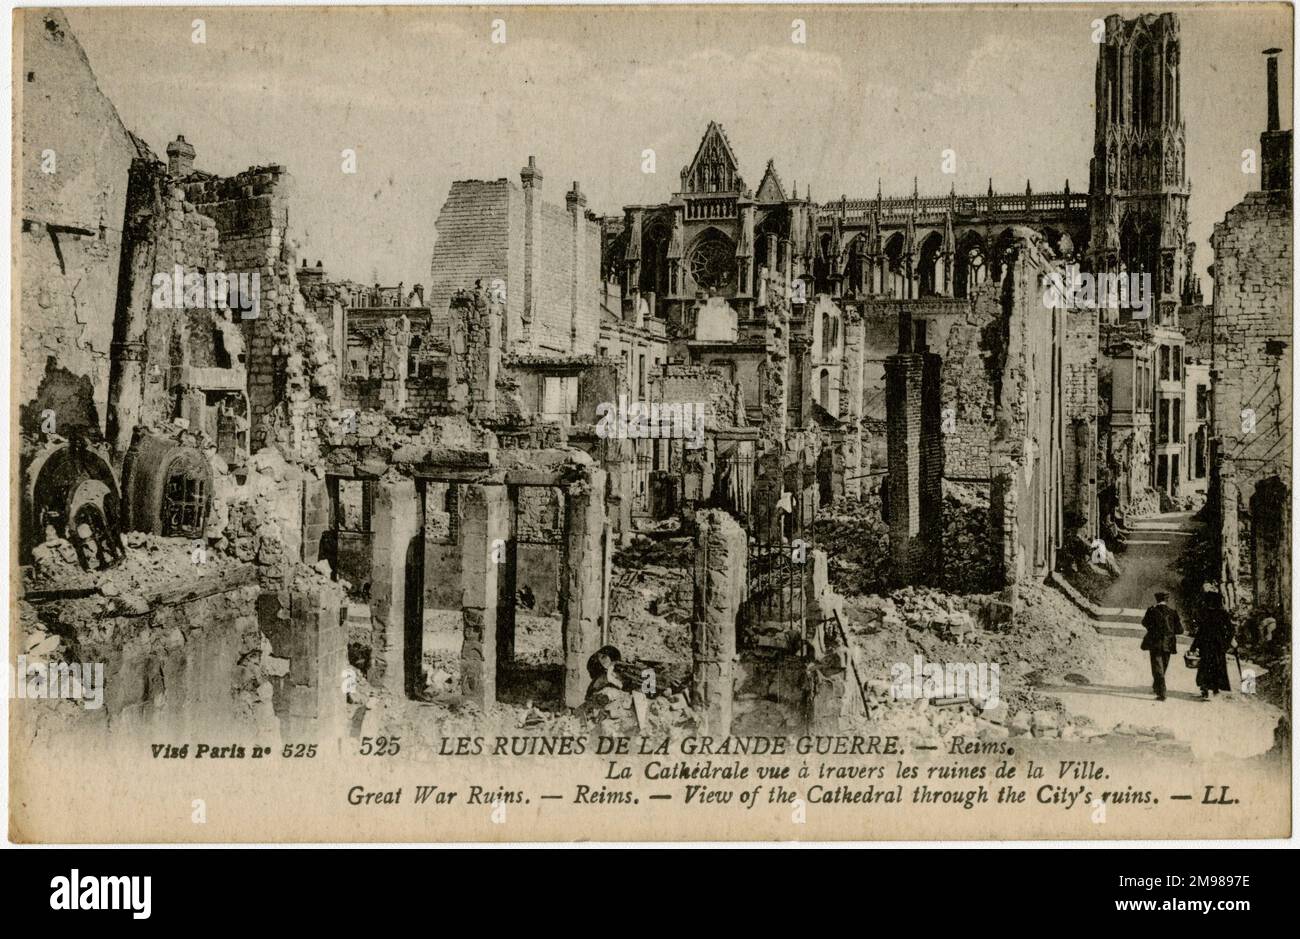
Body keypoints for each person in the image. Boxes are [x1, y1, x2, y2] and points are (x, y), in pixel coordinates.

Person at [1191, 591, 1235, 699]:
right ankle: (1214, 688)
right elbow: (1231, 630)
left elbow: (1200, 631)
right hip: (1218, 645)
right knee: (1217, 666)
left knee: (1205, 666)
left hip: (1206, 644)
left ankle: (1205, 688)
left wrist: (1194, 646)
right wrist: (1226, 643)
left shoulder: (1204, 612)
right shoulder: (1223, 613)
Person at [1140, 591, 1183, 701]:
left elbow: (1144, 623)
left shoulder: (1151, 611)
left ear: (1157, 600)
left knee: (1157, 666)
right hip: (1168, 644)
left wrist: (1153, 629)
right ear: (1167, 600)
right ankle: (1157, 686)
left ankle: (1162, 691)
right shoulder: (1173, 612)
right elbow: (1180, 630)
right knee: (1163, 666)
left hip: (1155, 643)